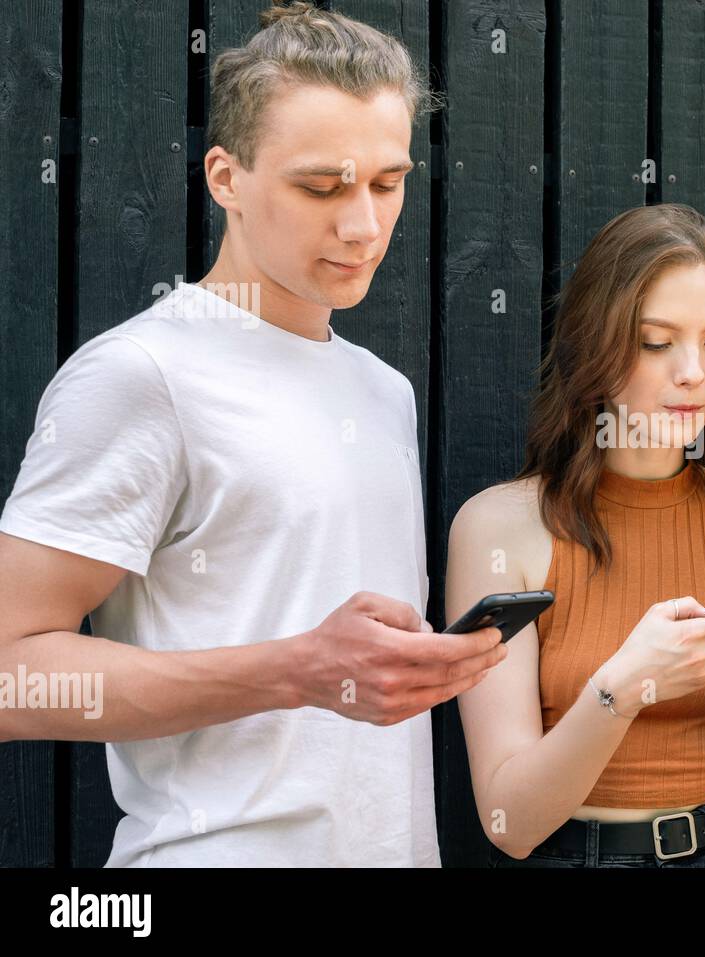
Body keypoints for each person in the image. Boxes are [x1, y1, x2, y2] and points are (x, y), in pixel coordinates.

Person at [0, 1, 502, 866]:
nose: (363, 225)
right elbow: (10, 676)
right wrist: (298, 667)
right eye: (322, 185)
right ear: (225, 177)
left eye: (388, 182)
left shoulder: (383, 392)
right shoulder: (142, 374)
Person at [446, 203, 705, 867]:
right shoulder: (499, 528)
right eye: (657, 342)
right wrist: (625, 686)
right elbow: (509, 823)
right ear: (594, 347)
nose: (694, 371)